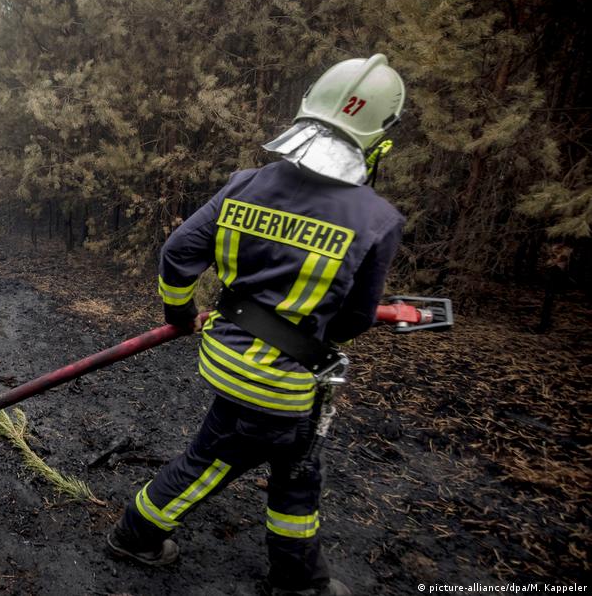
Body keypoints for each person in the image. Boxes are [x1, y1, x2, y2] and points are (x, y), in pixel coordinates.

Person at [106, 54, 407, 596]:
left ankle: (298, 578)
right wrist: (316, 338)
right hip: (279, 383)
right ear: (379, 140)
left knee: (297, 467)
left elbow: (178, 253)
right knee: (211, 463)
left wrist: (179, 313)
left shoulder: (246, 184)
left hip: (232, 359)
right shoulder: (378, 220)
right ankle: (135, 533)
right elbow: (357, 319)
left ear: (305, 113)